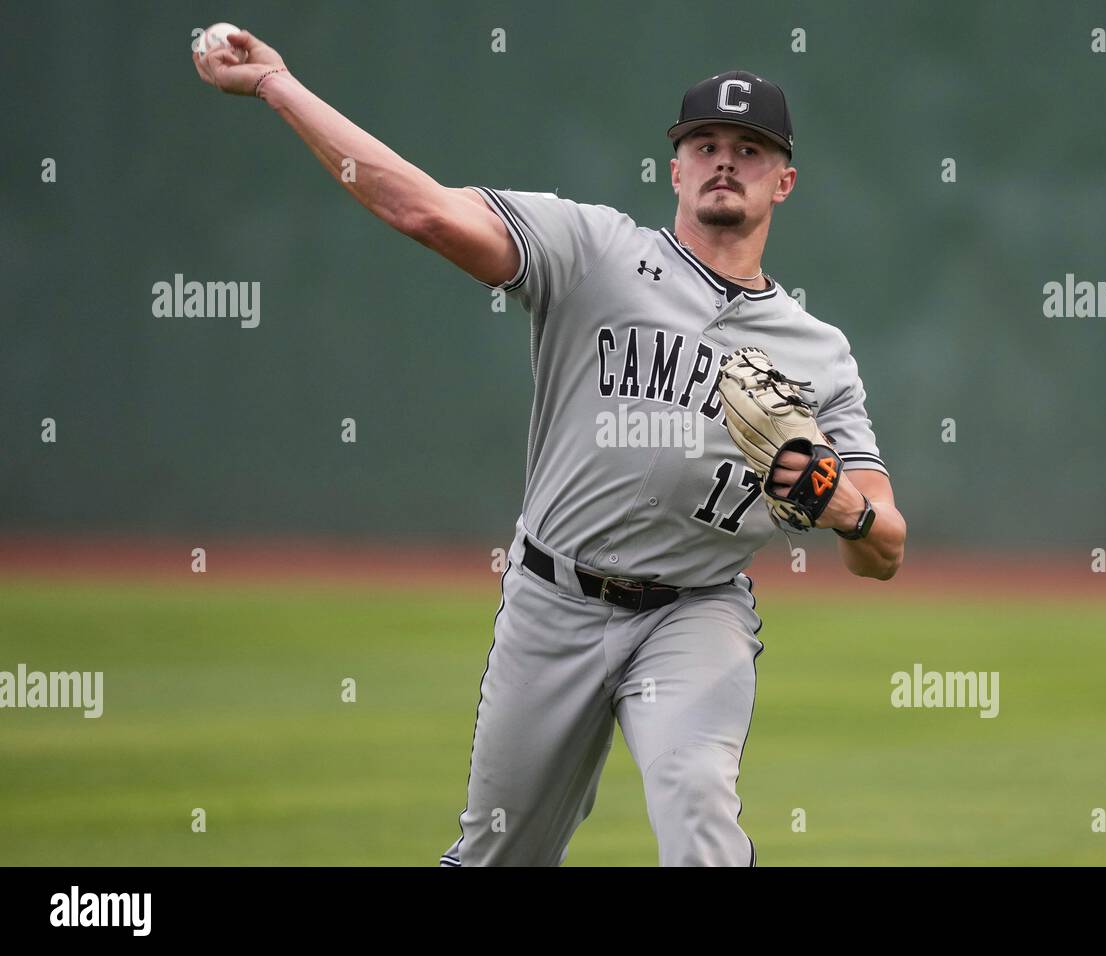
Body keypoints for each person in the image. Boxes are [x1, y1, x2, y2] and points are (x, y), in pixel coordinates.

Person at [194, 37, 907, 866]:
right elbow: (422, 211)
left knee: (700, 810)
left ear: (783, 182)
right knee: (501, 853)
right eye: (704, 145)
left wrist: (845, 509)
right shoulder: (591, 251)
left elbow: (883, 550)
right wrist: (279, 85)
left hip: (696, 612)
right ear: (673, 170)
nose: (725, 162)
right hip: (551, 599)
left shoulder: (817, 352)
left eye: (751, 151)